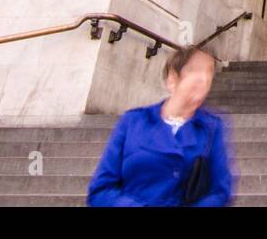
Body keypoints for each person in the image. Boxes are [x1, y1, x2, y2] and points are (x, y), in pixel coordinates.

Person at [87, 46, 233, 207]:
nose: (204, 78)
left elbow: (220, 192)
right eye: (195, 70)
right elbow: (100, 191)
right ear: (172, 79)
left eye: (209, 71)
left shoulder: (211, 128)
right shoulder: (133, 122)